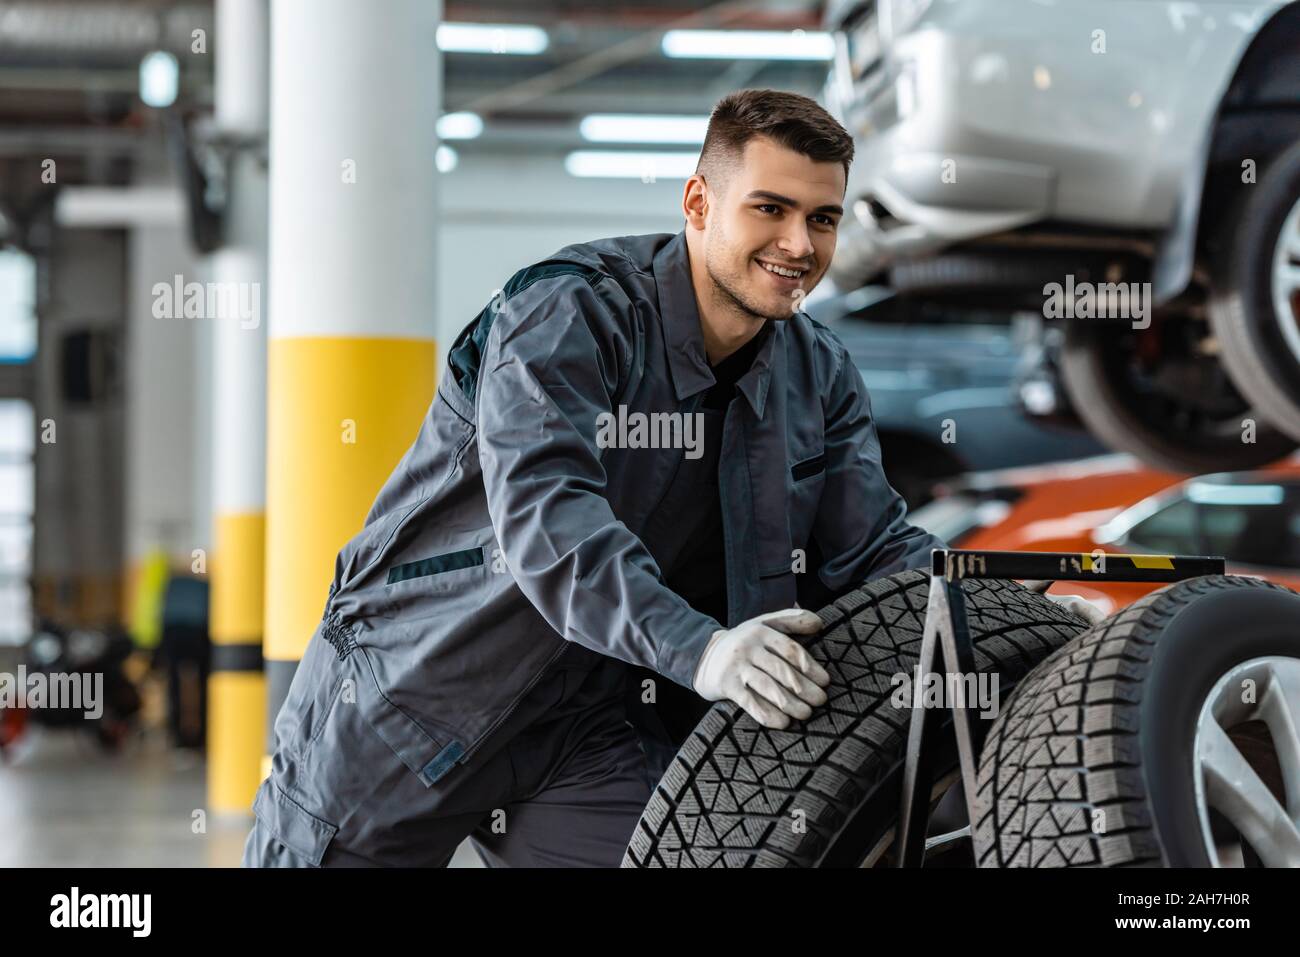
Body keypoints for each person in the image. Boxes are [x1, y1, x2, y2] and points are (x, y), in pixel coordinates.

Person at [243, 88, 1100, 869]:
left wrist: (1027, 628)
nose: (799, 245)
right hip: (413, 700)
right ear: (698, 203)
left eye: (824, 218)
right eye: (771, 208)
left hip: (588, 728)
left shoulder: (818, 373)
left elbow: (875, 553)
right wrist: (706, 649)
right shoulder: (569, 314)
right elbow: (550, 520)